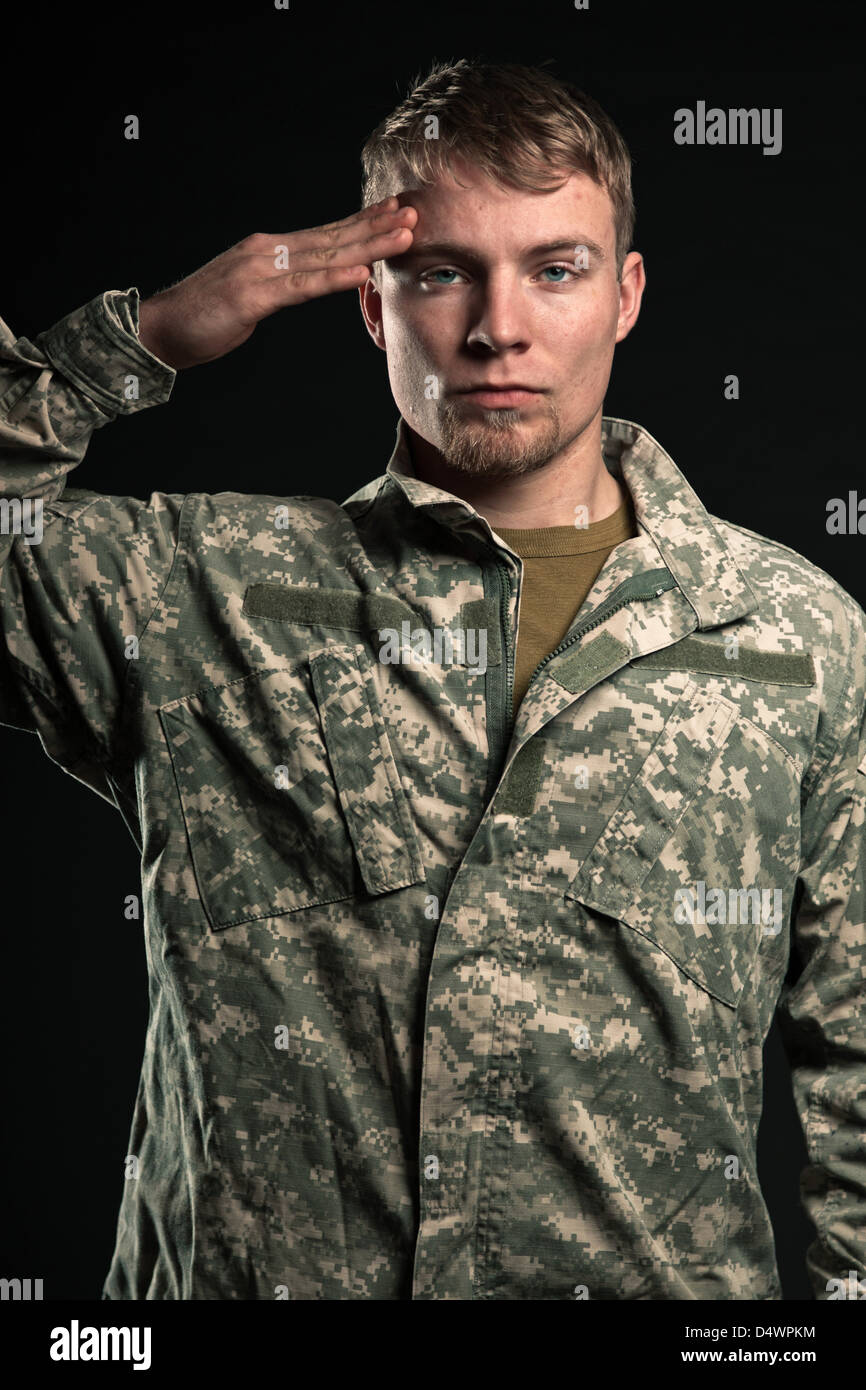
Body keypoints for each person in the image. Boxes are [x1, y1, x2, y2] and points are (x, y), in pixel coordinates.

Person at [1, 57, 863, 1302]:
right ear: (371, 302)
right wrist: (133, 343)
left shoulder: (796, 639)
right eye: (439, 270)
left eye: (553, 269)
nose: (496, 327)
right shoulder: (193, 592)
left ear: (623, 296)